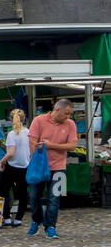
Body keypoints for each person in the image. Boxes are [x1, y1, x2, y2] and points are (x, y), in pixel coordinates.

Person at [27, 99, 78, 238]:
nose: (68, 117)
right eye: (66, 113)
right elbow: (32, 141)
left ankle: (50, 226)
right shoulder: (38, 121)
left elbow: (72, 146)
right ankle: (37, 220)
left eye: (69, 114)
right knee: (33, 197)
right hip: (38, 166)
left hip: (59, 167)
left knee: (54, 198)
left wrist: (51, 145)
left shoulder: (70, 124)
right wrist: (37, 148)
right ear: (57, 110)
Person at [0, 108, 31, 226]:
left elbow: (11, 153)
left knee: (4, 191)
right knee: (23, 194)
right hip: (25, 166)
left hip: (11, 167)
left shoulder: (12, 134)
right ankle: (18, 219)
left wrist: (2, 161)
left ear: (11, 119)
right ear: (24, 118)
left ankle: (6, 217)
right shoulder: (29, 133)